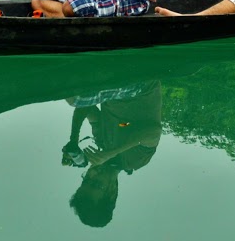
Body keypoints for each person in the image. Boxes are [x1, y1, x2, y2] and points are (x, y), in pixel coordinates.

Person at [60, 80, 163, 227]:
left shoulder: (102, 142)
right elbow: (154, 133)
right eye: (96, 183)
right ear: (112, 192)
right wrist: (112, 152)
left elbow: (88, 108)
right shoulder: (134, 161)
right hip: (141, 87)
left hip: (116, 90)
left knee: (77, 96)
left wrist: (73, 140)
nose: (92, 173)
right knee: (74, 98)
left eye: (86, 180)